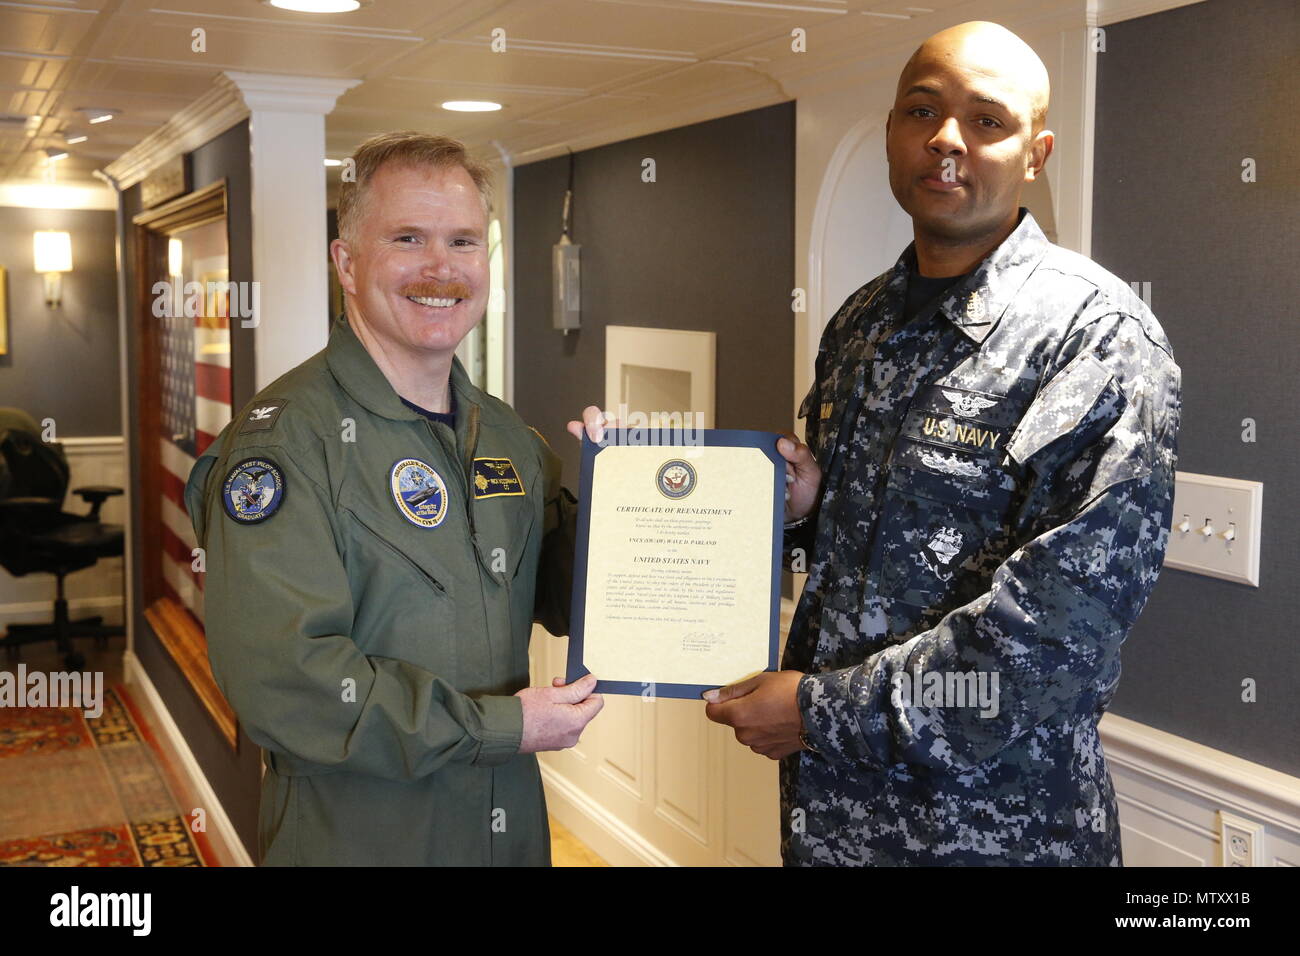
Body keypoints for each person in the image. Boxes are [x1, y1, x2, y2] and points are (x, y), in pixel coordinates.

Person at [703, 21, 1181, 865]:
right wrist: (809, 509)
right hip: (835, 824)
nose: (946, 140)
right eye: (920, 110)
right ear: (892, 129)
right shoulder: (860, 322)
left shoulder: (1096, 338)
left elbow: (1049, 644)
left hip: (998, 837)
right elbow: (888, 540)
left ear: (1036, 152)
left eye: (986, 121)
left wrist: (819, 713)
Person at [185, 131, 604, 866]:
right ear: (346, 263)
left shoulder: (506, 435)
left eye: (464, 241)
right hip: (361, 840)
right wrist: (497, 727)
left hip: (508, 836)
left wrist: (632, 491)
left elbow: (577, 595)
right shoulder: (285, 447)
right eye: (408, 238)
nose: (441, 268)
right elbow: (287, 684)